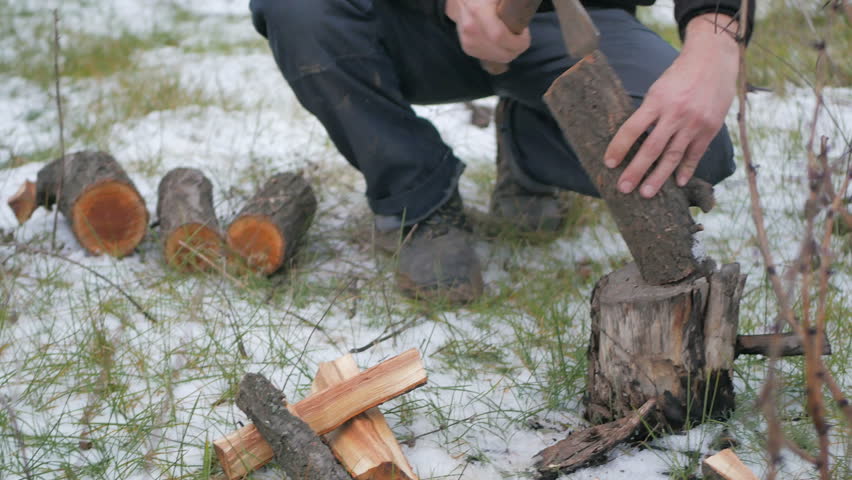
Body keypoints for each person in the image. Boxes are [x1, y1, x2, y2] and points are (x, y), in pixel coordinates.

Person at [248, 0, 754, 303]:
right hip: (402, 22)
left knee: (686, 150)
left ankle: (534, 131)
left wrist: (717, 35)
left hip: (573, 13)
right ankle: (417, 197)